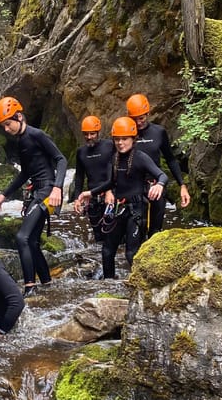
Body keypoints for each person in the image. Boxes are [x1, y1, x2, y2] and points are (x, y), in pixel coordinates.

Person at [0, 97, 67, 298]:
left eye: (8, 124)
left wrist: (58, 188)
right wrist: (4, 195)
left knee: (21, 237)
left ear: (19, 116)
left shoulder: (37, 135)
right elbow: (24, 173)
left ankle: (30, 288)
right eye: (3, 126)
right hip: (38, 192)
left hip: (48, 192)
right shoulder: (21, 141)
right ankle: (47, 283)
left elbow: (61, 159)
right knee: (31, 241)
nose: (6, 129)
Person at [78, 116, 167, 279]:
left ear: (133, 139)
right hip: (120, 209)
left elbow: (162, 175)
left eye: (124, 139)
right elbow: (111, 182)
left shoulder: (140, 157)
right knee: (107, 250)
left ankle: (142, 286)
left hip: (136, 211)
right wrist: (89, 193)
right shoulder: (115, 158)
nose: (120, 143)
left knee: (131, 253)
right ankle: (109, 286)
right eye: (117, 139)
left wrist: (159, 185)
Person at [126, 93, 190, 237]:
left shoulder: (158, 132)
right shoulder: (126, 135)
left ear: (148, 114)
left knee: (155, 231)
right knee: (135, 232)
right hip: (134, 188)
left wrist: (182, 185)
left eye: (141, 118)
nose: (138, 122)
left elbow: (170, 159)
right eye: (134, 119)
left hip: (156, 185)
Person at [70, 115, 115, 241]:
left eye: (92, 134)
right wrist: (77, 199)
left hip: (109, 195)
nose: (89, 137)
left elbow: (114, 171)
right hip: (92, 198)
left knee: (112, 232)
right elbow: (79, 176)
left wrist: (109, 191)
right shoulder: (81, 152)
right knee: (98, 235)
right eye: (86, 134)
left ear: (98, 132)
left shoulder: (109, 146)